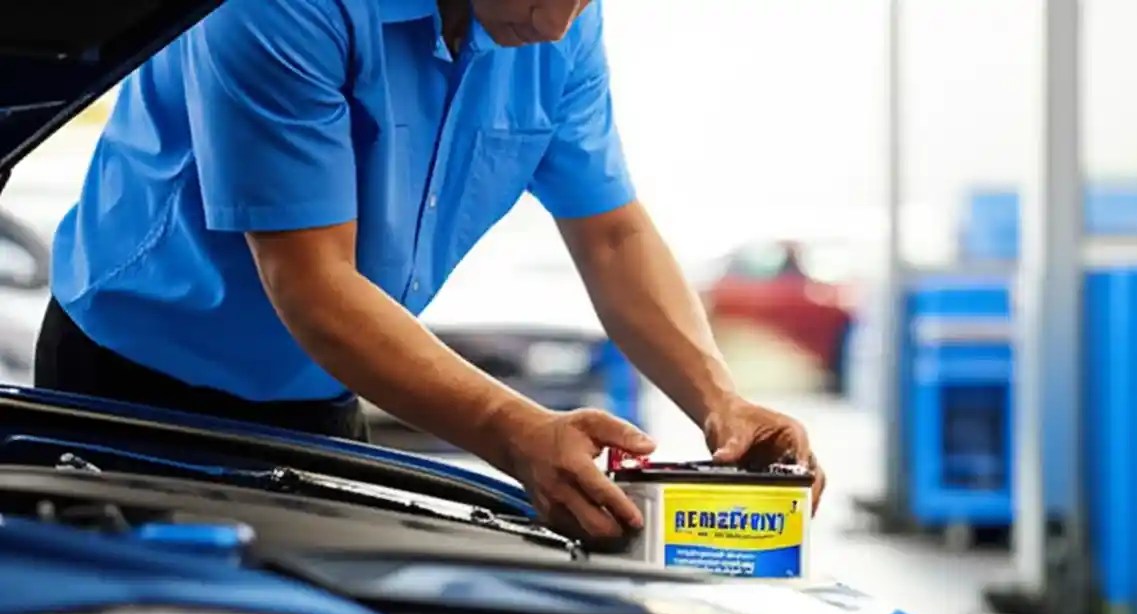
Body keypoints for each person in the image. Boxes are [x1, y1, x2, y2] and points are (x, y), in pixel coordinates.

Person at [36, 0, 827, 539]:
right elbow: (311, 280)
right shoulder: (282, 8)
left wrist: (722, 402)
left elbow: (611, 233)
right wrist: (518, 434)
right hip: (127, 389)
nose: (559, 23)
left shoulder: (560, 24)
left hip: (317, 392)